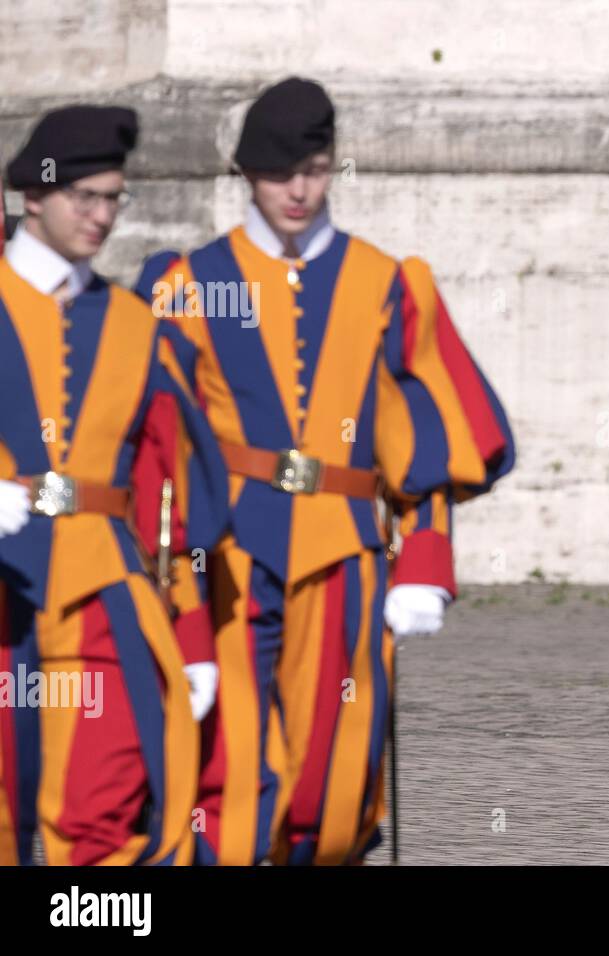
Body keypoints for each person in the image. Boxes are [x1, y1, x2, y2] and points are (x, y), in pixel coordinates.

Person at [135, 77, 515, 864]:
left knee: (335, 773)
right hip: (226, 554)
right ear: (246, 175)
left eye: (314, 168)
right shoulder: (186, 283)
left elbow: (430, 435)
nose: (299, 190)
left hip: (345, 549)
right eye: (280, 174)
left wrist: (426, 558)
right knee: (227, 760)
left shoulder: (386, 283)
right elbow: (155, 441)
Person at [0, 105, 229, 865]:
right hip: (5, 599)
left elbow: (168, 495)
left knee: (98, 820)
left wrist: (192, 636)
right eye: (84, 197)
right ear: (34, 195)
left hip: (105, 595)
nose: (101, 216)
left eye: (113, 199)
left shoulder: (137, 325)